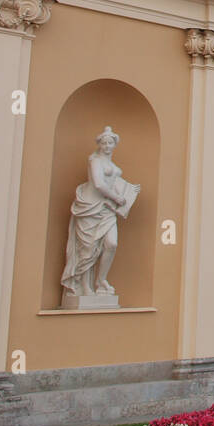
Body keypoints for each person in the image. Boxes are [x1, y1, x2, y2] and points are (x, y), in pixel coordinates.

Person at [61, 126, 140, 298]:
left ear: (114, 144)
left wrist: (129, 191)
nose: (107, 146)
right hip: (91, 206)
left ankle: (100, 280)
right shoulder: (94, 160)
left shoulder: (112, 164)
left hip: (108, 209)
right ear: (100, 144)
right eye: (104, 143)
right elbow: (98, 184)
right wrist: (117, 198)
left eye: (110, 142)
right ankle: (83, 285)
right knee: (88, 248)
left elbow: (113, 183)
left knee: (111, 244)